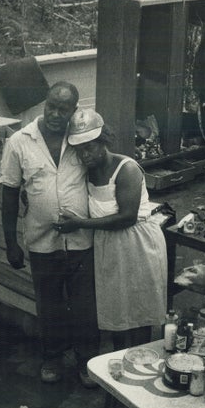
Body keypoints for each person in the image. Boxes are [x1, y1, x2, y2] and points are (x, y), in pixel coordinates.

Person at [0, 81, 100, 387]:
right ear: (44, 103)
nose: (55, 114)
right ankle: (52, 358)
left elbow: (104, 165)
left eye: (63, 110)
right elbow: (9, 194)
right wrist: (10, 243)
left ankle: (86, 362)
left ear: (74, 111)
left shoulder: (82, 138)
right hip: (41, 240)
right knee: (49, 304)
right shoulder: (19, 142)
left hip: (82, 239)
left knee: (85, 305)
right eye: (51, 106)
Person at [54, 109, 167, 350]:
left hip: (137, 244)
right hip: (109, 246)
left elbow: (127, 217)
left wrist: (79, 223)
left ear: (103, 141)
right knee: (117, 309)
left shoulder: (126, 169)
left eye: (90, 147)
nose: (84, 155)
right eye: (79, 149)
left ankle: (140, 357)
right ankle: (117, 358)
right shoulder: (87, 171)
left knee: (139, 308)